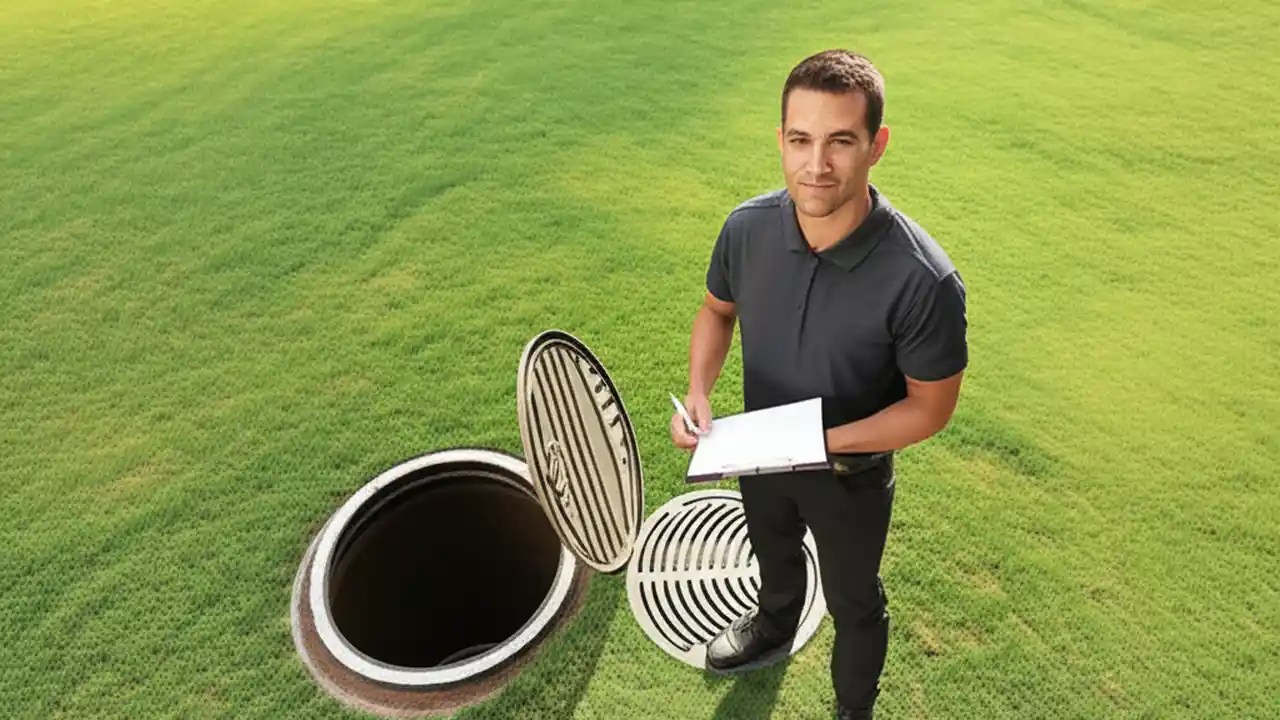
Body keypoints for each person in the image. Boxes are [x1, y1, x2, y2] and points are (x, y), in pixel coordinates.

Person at [669, 49, 968, 720]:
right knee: (770, 551)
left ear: (876, 145)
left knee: (855, 600)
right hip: (755, 452)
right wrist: (698, 391)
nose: (816, 164)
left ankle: (853, 710)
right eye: (800, 140)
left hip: (850, 477)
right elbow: (717, 312)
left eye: (841, 141)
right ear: (781, 139)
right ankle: (774, 625)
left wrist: (821, 440)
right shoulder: (746, 229)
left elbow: (931, 408)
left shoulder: (923, 280)